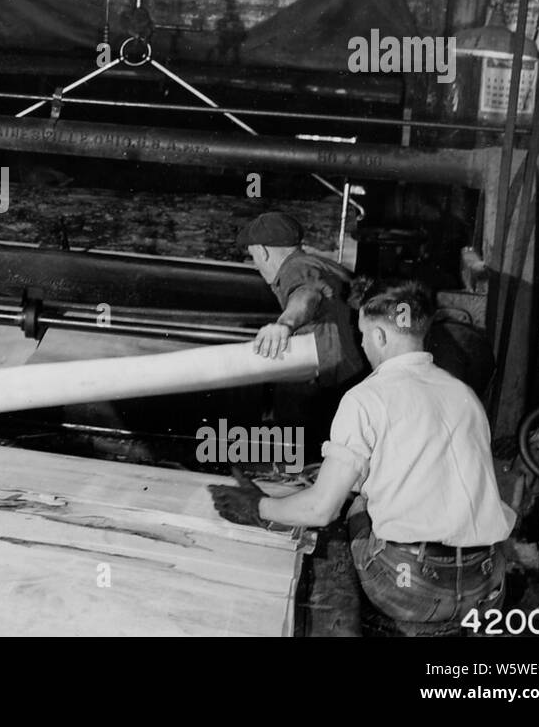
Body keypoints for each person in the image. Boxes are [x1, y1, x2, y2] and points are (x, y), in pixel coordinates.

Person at [209, 278, 515, 635]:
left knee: (354, 510)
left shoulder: (366, 397)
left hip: (415, 590)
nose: (364, 345)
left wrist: (257, 507)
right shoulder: (464, 395)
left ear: (381, 337)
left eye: (364, 336)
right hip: (487, 583)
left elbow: (320, 509)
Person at [237, 211, 365, 444]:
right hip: (354, 374)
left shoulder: (294, 269)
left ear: (263, 252)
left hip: (329, 378)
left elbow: (307, 294)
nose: (255, 265)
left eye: (253, 256)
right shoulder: (321, 264)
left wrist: (284, 325)